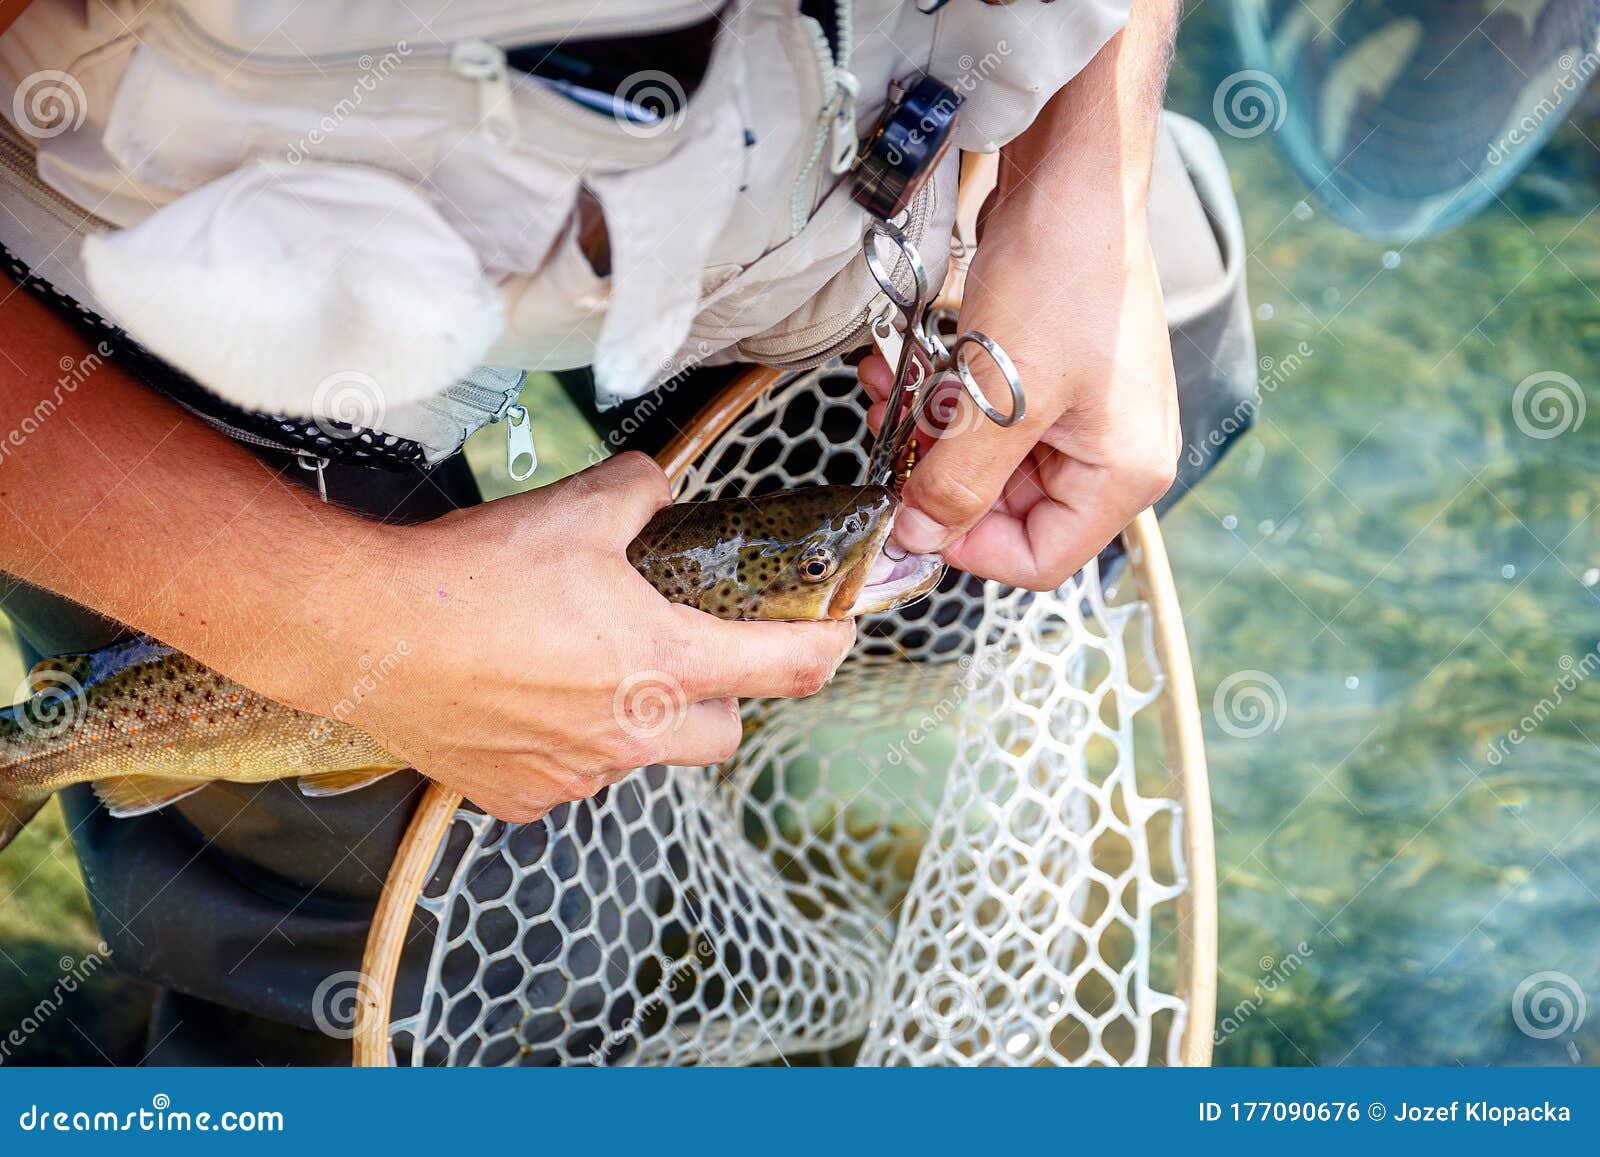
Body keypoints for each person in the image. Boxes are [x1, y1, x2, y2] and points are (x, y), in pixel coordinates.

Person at [0, 0, 1250, 1062]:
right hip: (194, 262)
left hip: (827, 196)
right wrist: (359, 627)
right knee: (464, 935)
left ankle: (706, 790)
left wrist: (1087, 177)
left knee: (1153, 382)